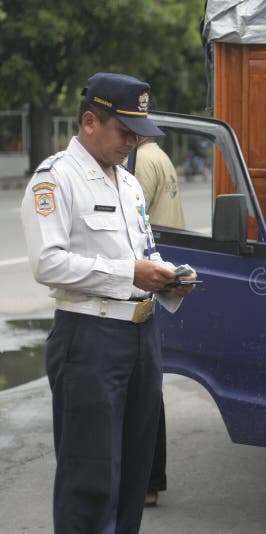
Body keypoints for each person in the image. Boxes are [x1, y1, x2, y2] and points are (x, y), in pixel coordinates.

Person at [20, 72, 196, 534]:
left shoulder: (129, 183)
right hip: (89, 338)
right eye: (125, 131)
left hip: (142, 335)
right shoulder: (55, 179)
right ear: (90, 121)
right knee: (90, 479)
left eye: (139, 134)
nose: (133, 142)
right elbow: (48, 263)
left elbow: (142, 252)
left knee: (134, 476)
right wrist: (130, 274)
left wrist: (166, 278)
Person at [130, 99, 185, 507]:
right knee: (150, 390)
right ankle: (149, 481)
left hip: (144, 284)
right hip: (158, 276)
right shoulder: (160, 156)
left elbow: (133, 229)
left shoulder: (138, 166)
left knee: (141, 392)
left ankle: (144, 480)